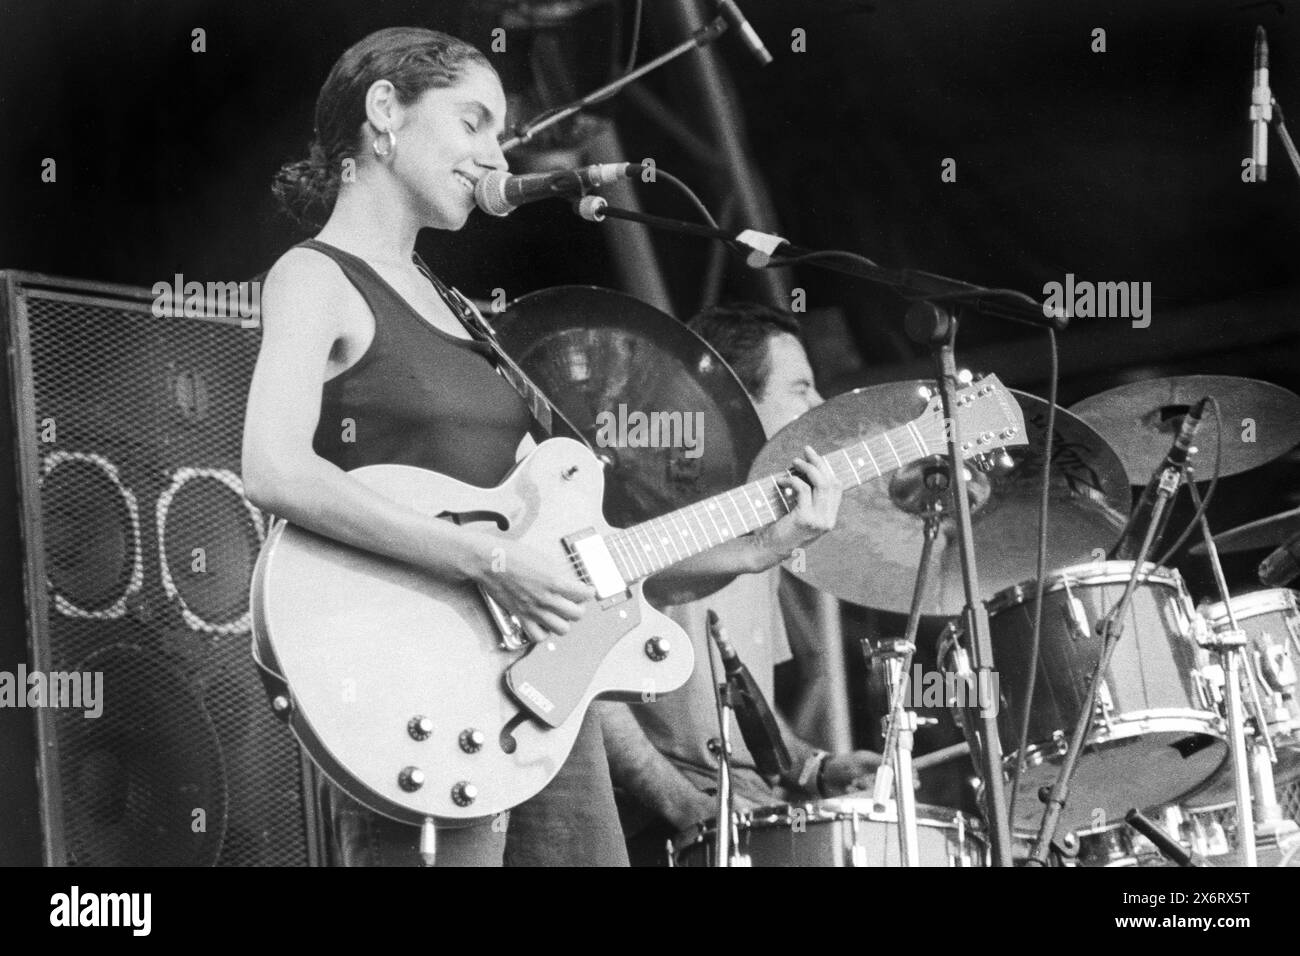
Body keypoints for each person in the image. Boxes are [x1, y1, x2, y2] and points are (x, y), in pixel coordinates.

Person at [242, 28, 844, 866]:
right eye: (474, 121)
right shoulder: (316, 277)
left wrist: (757, 549)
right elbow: (272, 468)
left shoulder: (464, 313)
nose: (497, 151)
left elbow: (581, 569)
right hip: (416, 689)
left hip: (536, 709)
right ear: (386, 111)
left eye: (499, 129)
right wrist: (488, 562)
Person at [603, 302, 883, 865]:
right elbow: (588, 691)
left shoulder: (764, 536)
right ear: (732, 397)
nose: (818, 406)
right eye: (800, 388)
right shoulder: (635, 509)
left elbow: (743, 702)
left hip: (746, 808)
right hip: (654, 825)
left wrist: (813, 766)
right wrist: (684, 805)